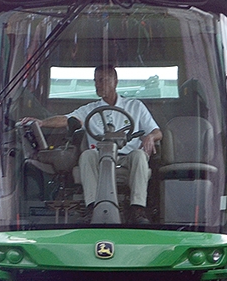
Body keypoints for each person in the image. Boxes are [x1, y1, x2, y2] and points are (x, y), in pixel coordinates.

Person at [25, 65, 162, 223]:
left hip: (127, 157)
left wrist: (150, 137)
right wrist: (42, 123)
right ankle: (92, 207)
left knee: (139, 155)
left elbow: (157, 132)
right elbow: (66, 119)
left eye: (103, 80)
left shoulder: (135, 106)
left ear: (115, 81)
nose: (98, 84)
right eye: (96, 81)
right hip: (100, 158)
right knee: (87, 155)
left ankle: (138, 209)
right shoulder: (90, 109)